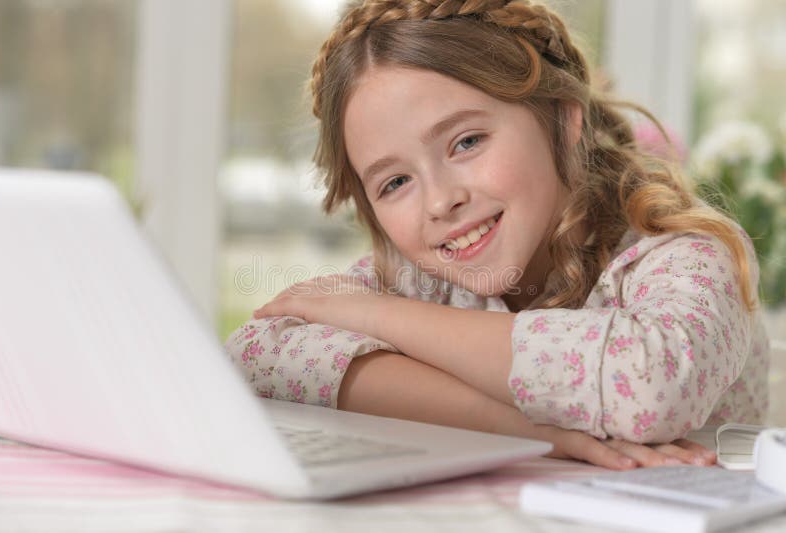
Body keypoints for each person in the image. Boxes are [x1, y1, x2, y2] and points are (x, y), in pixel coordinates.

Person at [225, 0, 769, 470]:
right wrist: (527, 431)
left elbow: (651, 384)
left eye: (466, 142)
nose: (441, 201)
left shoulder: (686, 251)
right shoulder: (423, 278)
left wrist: (375, 314)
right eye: (395, 182)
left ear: (561, 116)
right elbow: (257, 355)